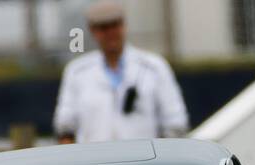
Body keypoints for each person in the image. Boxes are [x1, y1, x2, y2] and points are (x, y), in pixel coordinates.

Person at [53, 1, 189, 144]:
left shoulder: (154, 67)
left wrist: (161, 159)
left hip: (145, 163)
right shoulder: (77, 72)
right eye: (104, 28)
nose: (111, 33)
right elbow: (65, 127)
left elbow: (175, 122)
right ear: (92, 30)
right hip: (93, 162)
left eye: (115, 25)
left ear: (124, 25)